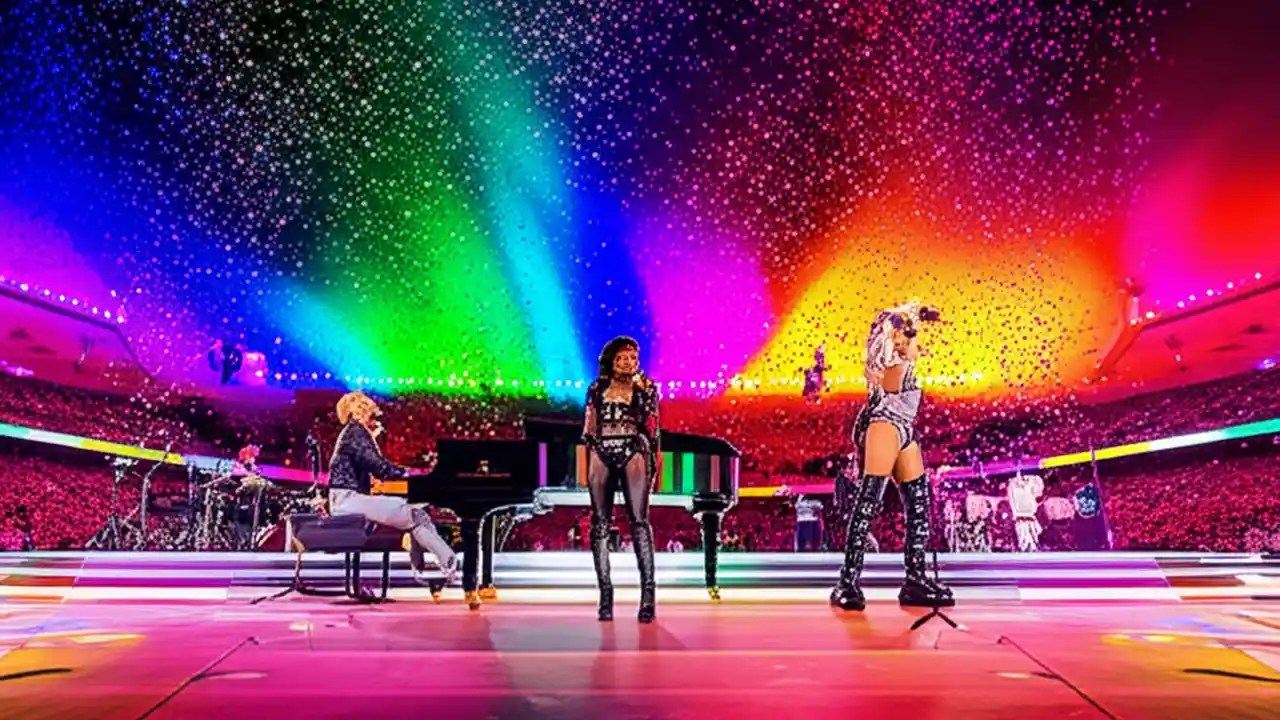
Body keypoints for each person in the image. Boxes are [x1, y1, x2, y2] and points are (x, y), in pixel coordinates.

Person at [831, 302, 954, 611]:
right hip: (884, 425)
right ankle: (847, 582)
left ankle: (915, 579)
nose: (914, 339)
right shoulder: (887, 362)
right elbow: (892, 383)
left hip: (904, 428)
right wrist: (902, 333)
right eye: (906, 334)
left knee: (918, 504)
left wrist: (918, 314)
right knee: (869, 500)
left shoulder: (904, 357)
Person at [327, 391, 459, 584]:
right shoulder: (355, 431)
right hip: (348, 500)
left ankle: (428, 567)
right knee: (414, 515)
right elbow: (380, 468)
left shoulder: (353, 433)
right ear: (359, 412)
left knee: (417, 514)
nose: (375, 420)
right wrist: (412, 473)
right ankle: (446, 562)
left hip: (349, 499)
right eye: (371, 415)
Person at [582, 336, 661, 623]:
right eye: (623, 357)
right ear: (612, 360)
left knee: (639, 520)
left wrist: (654, 459)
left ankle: (648, 596)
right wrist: (591, 456)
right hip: (602, 448)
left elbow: (652, 426)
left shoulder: (647, 387)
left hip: (633, 448)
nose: (629, 362)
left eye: (633, 357)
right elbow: (589, 425)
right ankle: (605, 595)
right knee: (599, 523)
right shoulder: (597, 388)